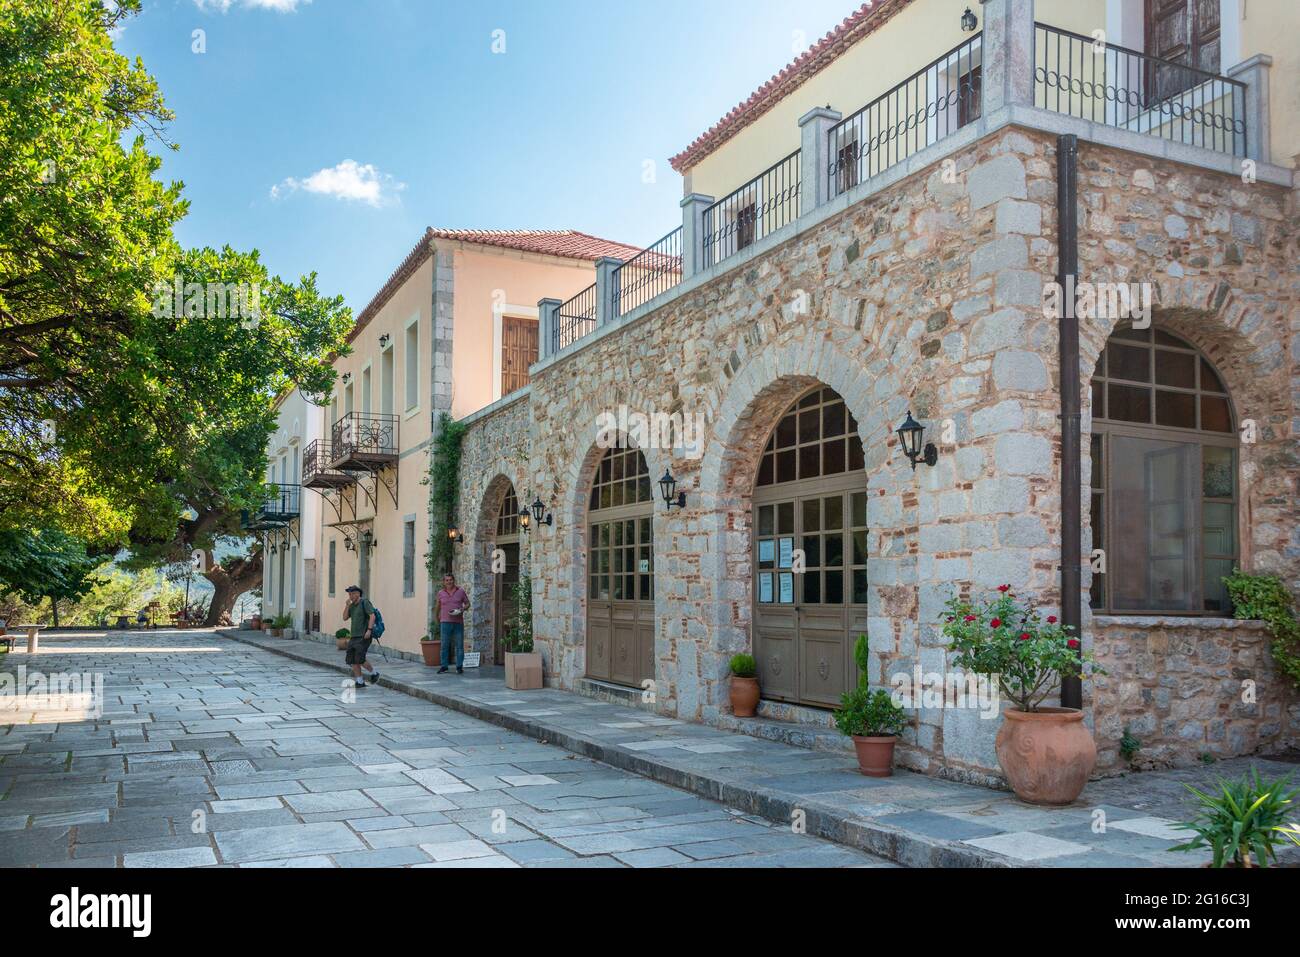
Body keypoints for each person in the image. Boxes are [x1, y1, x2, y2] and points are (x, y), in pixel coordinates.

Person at [342, 585, 380, 688]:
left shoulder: (364, 602)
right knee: (352, 659)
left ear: (358, 593)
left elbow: (372, 615)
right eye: (349, 594)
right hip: (354, 636)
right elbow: (345, 618)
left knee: (360, 658)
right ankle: (360, 681)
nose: (350, 596)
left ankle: (374, 673)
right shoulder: (352, 606)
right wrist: (347, 606)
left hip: (364, 636)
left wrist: (369, 630)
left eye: (352, 594)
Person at [434, 572, 469, 674]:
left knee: (459, 646)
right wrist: (437, 617)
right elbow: (438, 606)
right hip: (445, 622)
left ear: (454, 580)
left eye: (451, 580)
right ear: (444, 582)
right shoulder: (440, 593)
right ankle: (444, 666)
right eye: (447, 580)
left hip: (458, 622)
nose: (449, 582)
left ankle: (459, 667)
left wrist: (462, 609)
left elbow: (468, 604)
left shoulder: (461, 591)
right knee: (444, 645)